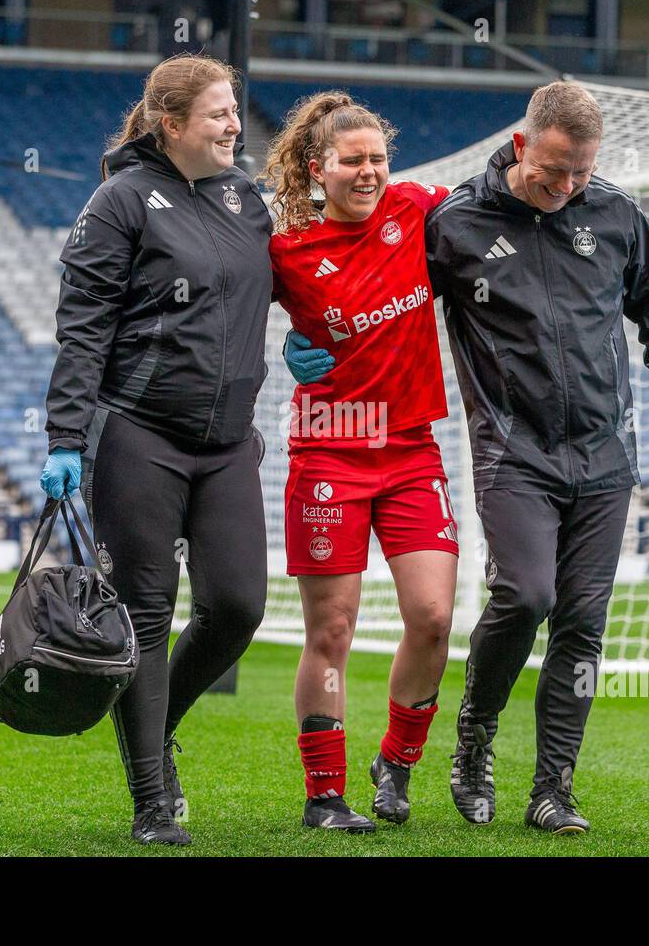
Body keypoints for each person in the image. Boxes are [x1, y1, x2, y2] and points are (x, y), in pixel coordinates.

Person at [289, 81, 649, 835]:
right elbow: (378, 286)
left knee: (583, 621)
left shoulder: (616, 216)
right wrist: (315, 335)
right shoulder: (455, 222)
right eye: (552, 170)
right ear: (521, 148)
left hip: (608, 454)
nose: (566, 186)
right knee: (527, 596)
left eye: (580, 171)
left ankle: (554, 790)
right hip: (514, 451)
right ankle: (472, 744)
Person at [39, 54, 272, 846]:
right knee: (144, 613)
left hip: (231, 441)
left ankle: (155, 722)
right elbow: (83, 327)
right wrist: (66, 436)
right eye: (217, 114)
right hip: (139, 432)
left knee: (238, 606)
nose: (235, 124)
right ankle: (150, 798)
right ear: (171, 125)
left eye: (235, 110)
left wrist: (307, 340)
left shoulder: (248, 199)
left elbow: (270, 292)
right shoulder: (119, 202)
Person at [268, 92, 458, 831]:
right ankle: (324, 796)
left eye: (379, 158)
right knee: (333, 631)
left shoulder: (416, 208)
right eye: (354, 160)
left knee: (435, 616)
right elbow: (222, 304)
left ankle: (396, 764)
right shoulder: (286, 247)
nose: (370, 171)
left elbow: (494, 199)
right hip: (327, 452)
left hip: (410, 450)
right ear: (319, 169)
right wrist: (282, 345)